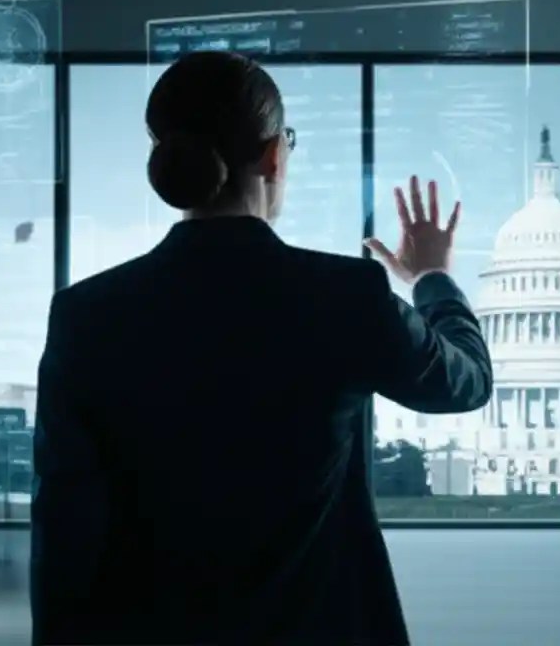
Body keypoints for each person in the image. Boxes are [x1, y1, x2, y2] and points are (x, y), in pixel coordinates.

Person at [30, 51, 493, 645]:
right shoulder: (344, 295)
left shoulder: (84, 315)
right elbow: (466, 381)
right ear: (275, 155)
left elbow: (65, 528)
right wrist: (430, 277)